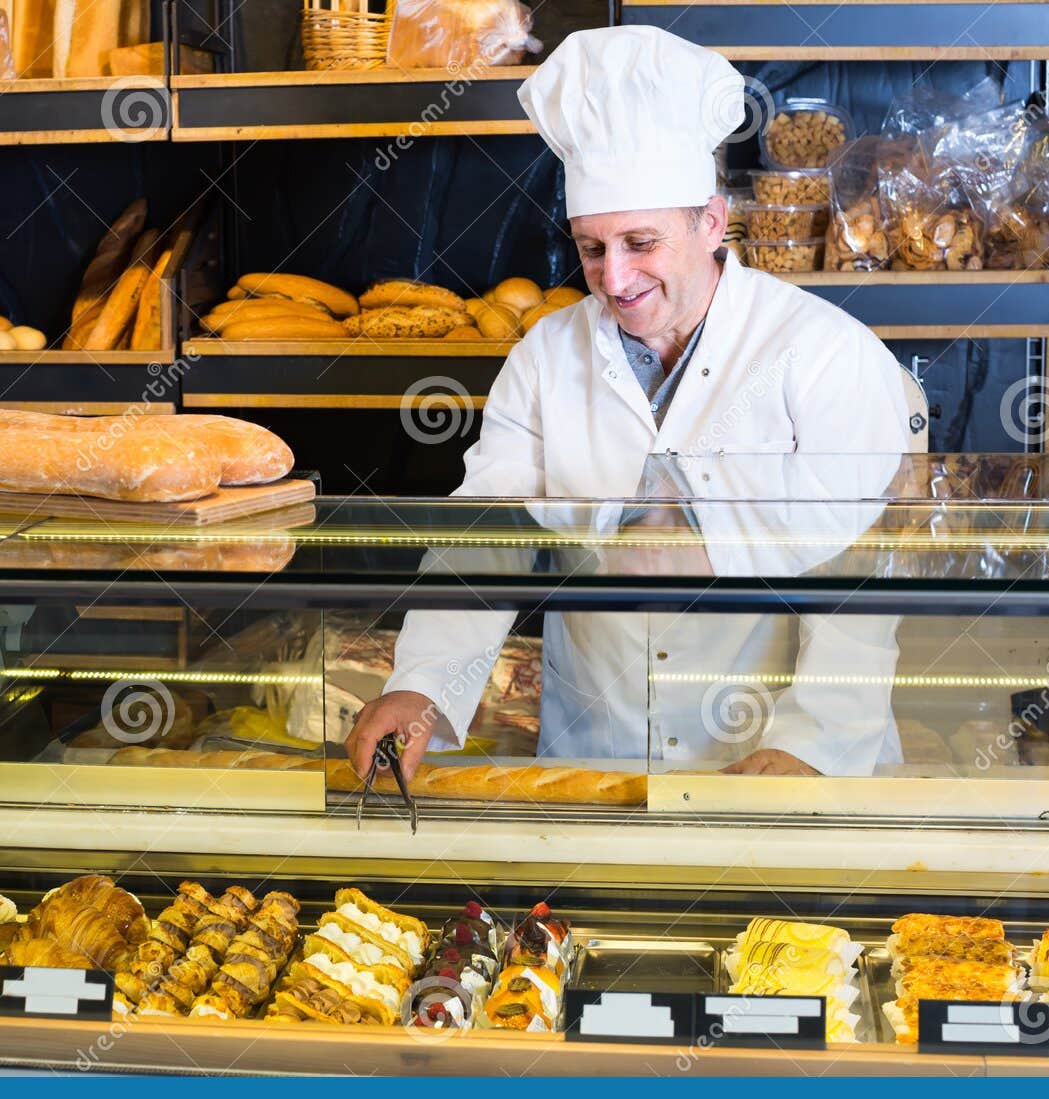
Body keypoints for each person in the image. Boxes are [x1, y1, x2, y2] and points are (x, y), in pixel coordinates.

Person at [346, 27, 917, 783]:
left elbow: (861, 576)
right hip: (596, 751)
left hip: (772, 755)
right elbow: (486, 536)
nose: (614, 279)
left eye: (640, 243)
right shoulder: (545, 358)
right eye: (592, 248)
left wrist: (812, 745)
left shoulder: (825, 353)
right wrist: (422, 685)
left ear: (710, 223)